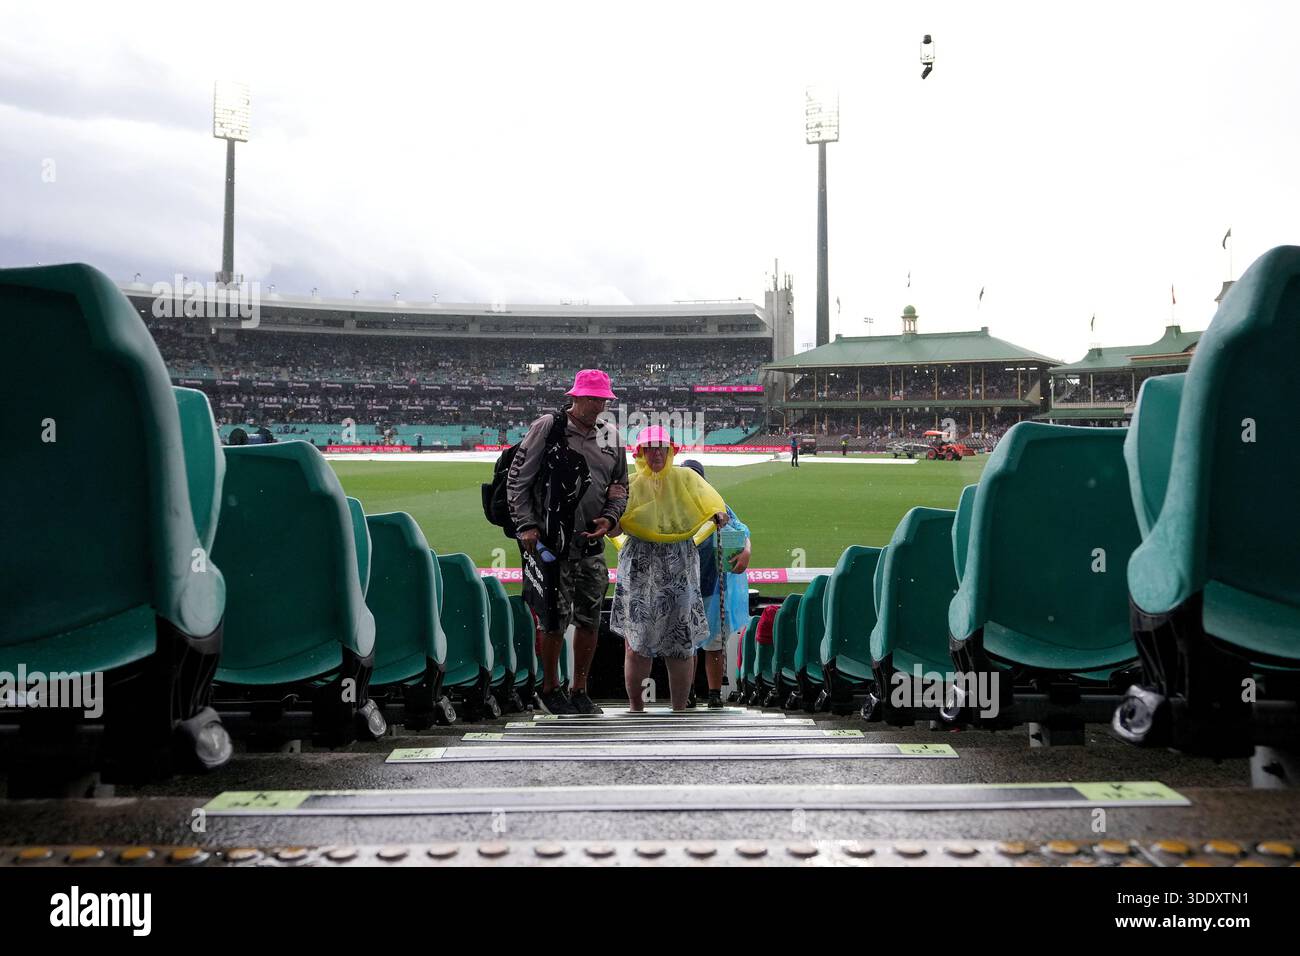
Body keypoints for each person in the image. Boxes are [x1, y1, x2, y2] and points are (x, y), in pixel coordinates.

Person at [507, 369, 627, 715]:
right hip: (550, 546)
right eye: (591, 398)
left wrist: (611, 516)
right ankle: (549, 688)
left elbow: (620, 485)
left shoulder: (611, 436)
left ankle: (580, 689)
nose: (598, 404)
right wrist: (527, 526)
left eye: (602, 399)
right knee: (553, 621)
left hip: (591, 545)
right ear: (574, 398)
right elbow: (518, 480)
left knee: (589, 620)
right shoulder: (549, 428)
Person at [611, 426, 728, 712]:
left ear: (671, 451)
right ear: (639, 453)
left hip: (678, 565)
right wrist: (610, 514)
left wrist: (718, 516)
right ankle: (635, 709)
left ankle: (680, 710)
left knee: (681, 641)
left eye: (661, 447)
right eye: (649, 448)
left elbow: (715, 508)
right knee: (637, 642)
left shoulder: (686, 479)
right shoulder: (629, 484)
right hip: (640, 565)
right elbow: (613, 525)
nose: (656, 453)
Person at [679, 459, 751, 708]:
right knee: (687, 643)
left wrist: (746, 552)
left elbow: (741, 531)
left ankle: (712, 694)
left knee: (713, 642)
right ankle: (686, 692)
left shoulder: (716, 505)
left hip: (711, 582)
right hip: (683, 584)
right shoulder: (672, 506)